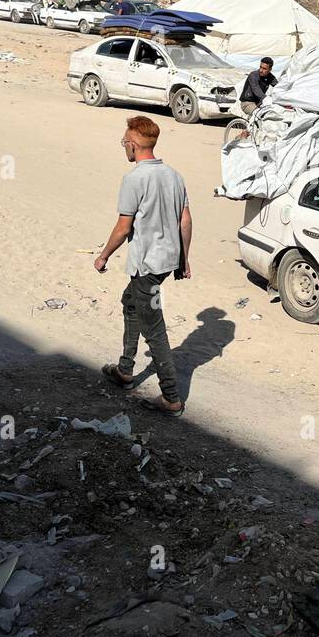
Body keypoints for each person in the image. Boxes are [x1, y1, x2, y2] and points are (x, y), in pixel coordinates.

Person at [95, 116, 192, 414]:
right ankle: (125, 369)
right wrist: (184, 260)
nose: (124, 147)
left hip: (147, 264)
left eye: (125, 143)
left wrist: (103, 255)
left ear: (134, 145)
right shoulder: (174, 175)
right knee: (130, 302)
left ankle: (171, 398)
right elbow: (185, 220)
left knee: (154, 328)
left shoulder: (134, 179)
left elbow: (124, 228)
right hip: (167, 261)